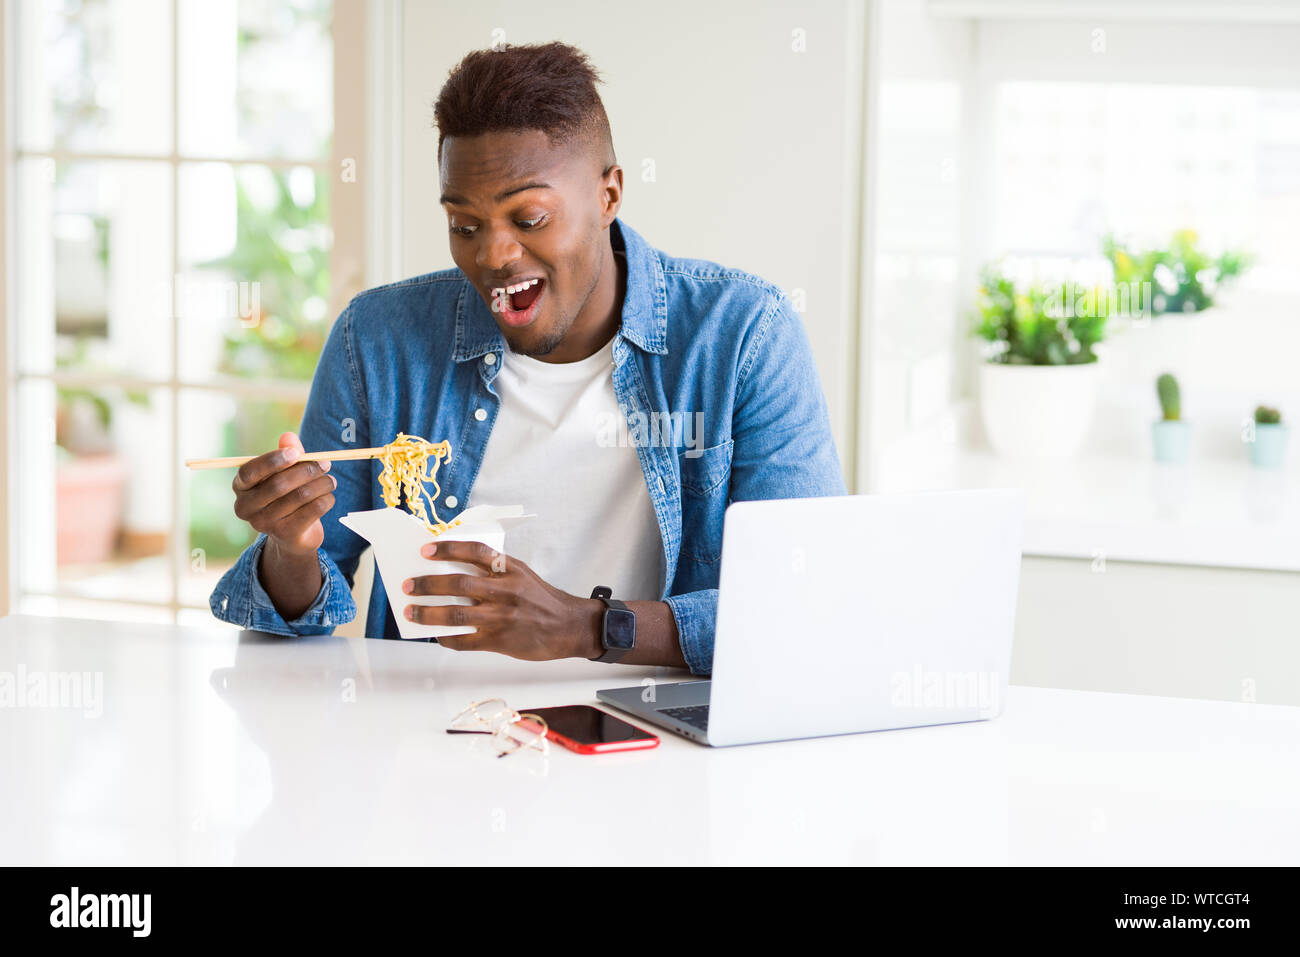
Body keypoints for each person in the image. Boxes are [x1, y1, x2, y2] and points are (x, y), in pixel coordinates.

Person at [209, 41, 843, 675]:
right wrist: (291, 547)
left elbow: (801, 605)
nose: (493, 255)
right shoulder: (376, 339)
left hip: (655, 740)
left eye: (530, 217)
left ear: (609, 195)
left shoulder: (743, 335)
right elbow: (294, 613)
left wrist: (586, 627)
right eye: (465, 225)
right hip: (432, 738)